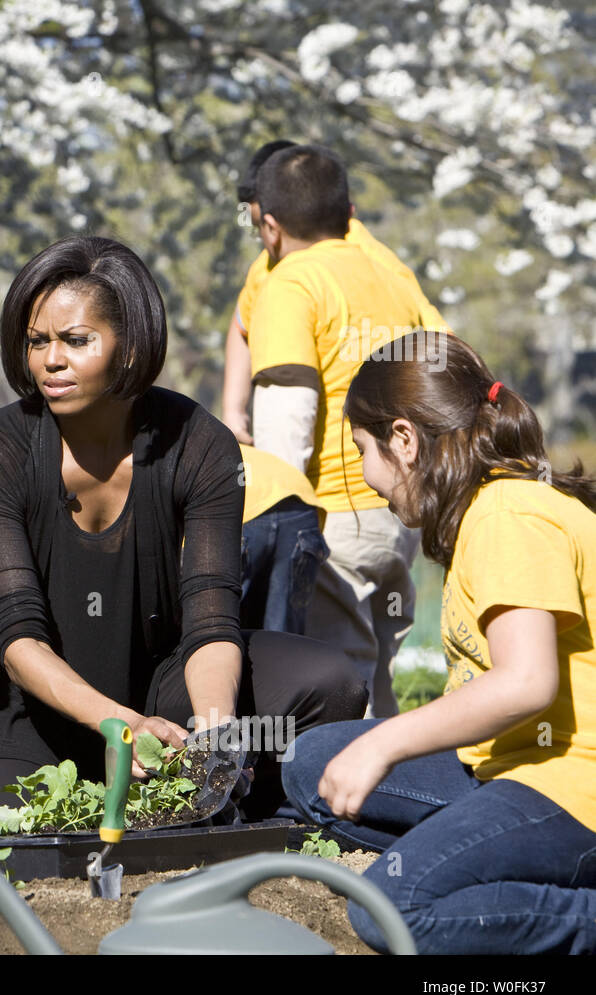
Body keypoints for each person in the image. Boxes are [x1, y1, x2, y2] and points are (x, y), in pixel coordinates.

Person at [0, 236, 367, 823]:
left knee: (330, 682)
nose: (50, 361)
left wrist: (214, 736)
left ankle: (215, 792)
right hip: (17, 702)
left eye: (76, 341)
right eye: (37, 342)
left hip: (152, 680)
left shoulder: (200, 443)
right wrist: (120, 725)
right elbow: (17, 642)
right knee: (36, 821)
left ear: (130, 347)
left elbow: (211, 618)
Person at [281, 332, 596, 955]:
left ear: (404, 440)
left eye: (362, 450)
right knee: (310, 765)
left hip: (573, 781)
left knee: (392, 914)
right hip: (512, 762)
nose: (367, 476)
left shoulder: (509, 516)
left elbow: (526, 682)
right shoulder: (486, 508)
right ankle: (493, 859)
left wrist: (385, 744)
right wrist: (371, 747)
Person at [249, 144, 444, 718]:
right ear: (347, 213)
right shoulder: (391, 275)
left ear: (269, 224)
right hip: (402, 513)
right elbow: (446, 361)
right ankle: (395, 795)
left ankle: (344, 799)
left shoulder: (291, 283)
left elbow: (290, 408)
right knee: (380, 671)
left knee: (340, 682)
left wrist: (281, 514)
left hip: (336, 516)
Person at [221, 139, 446, 444]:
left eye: (259, 222)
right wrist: (234, 413)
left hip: (343, 466)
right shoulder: (266, 266)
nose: (261, 234)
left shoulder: (368, 260)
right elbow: (241, 323)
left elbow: (443, 346)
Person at [237, 444, 327, 634]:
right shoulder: (230, 445)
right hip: (301, 499)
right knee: (283, 638)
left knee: (215, 632)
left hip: (245, 507)